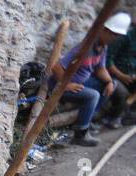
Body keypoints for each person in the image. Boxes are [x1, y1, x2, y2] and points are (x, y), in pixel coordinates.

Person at [50, 13, 131, 145]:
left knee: (111, 85)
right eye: (112, 34)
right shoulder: (85, 47)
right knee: (93, 95)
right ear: (104, 30)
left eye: (116, 36)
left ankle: (88, 119)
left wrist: (109, 81)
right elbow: (57, 67)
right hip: (62, 85)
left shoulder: (102, 47)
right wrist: (66, 85)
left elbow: (100, 69)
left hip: (80, 82)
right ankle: (80, 134)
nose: (114, 38)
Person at [106, 14, 136, 126]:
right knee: (121, 92)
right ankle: (114, 117)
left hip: (131, 76)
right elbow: (107, 60)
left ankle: (128, 112)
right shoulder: (125, 36)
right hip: (116, 75)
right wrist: (121, 76)